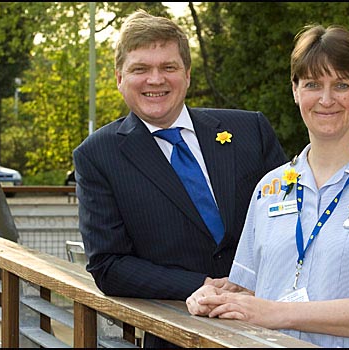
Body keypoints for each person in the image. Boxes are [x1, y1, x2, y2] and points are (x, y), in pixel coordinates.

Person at [186, 24, 349, 348]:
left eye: (341, 84)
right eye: (312, 84)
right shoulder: (270, 188)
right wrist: (212, 296)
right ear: (295, 91)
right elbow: (248, 290)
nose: (326, 99)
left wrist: (280, 313)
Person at [73, 9, 288, 348]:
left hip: (271, 328)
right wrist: (200, 284)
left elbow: (292, 218)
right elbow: (108, 265)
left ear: (187, 74)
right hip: (176, 333)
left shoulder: (250, 131)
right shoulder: (98, 156)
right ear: (119, 78)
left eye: (168, 67)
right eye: (140, 69)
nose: (155, 79)